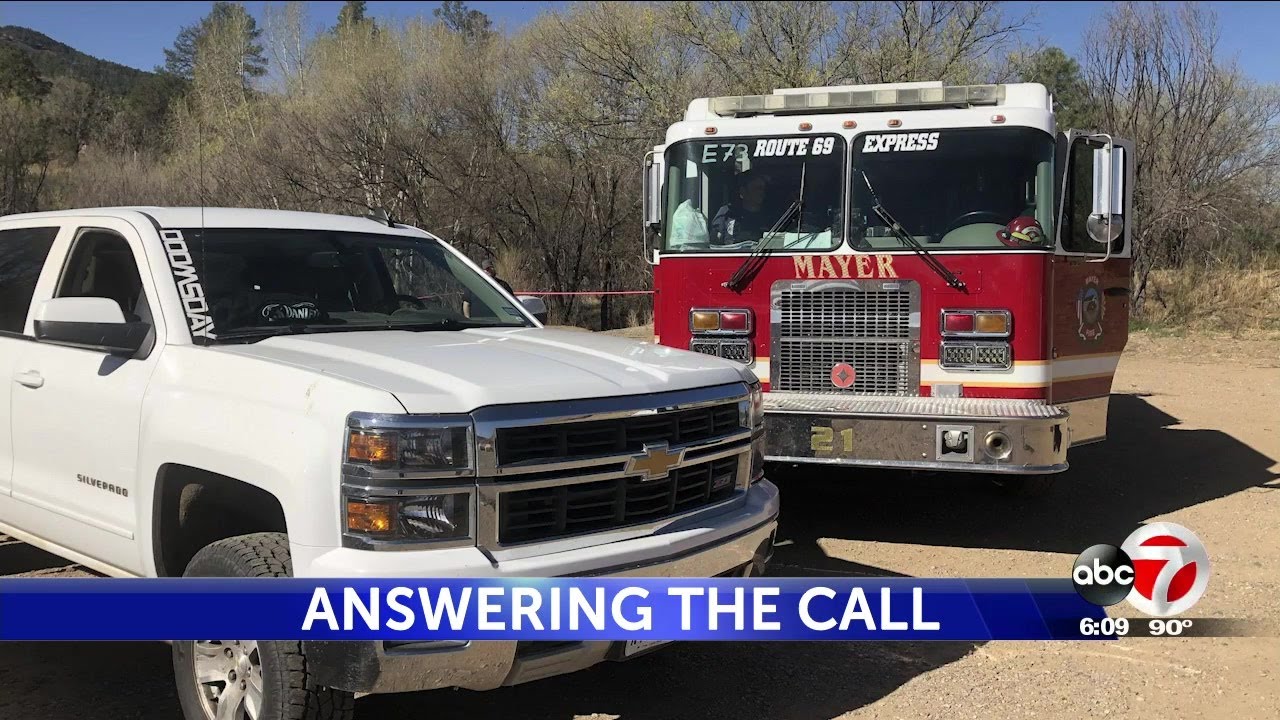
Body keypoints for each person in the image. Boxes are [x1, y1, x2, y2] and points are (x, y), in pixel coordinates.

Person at [711, 173, 773, 246]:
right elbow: (714, 241)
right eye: (756, 188)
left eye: (763, 189)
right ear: (743, 191)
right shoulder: (727, 213)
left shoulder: (771, 217)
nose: (761, 192)